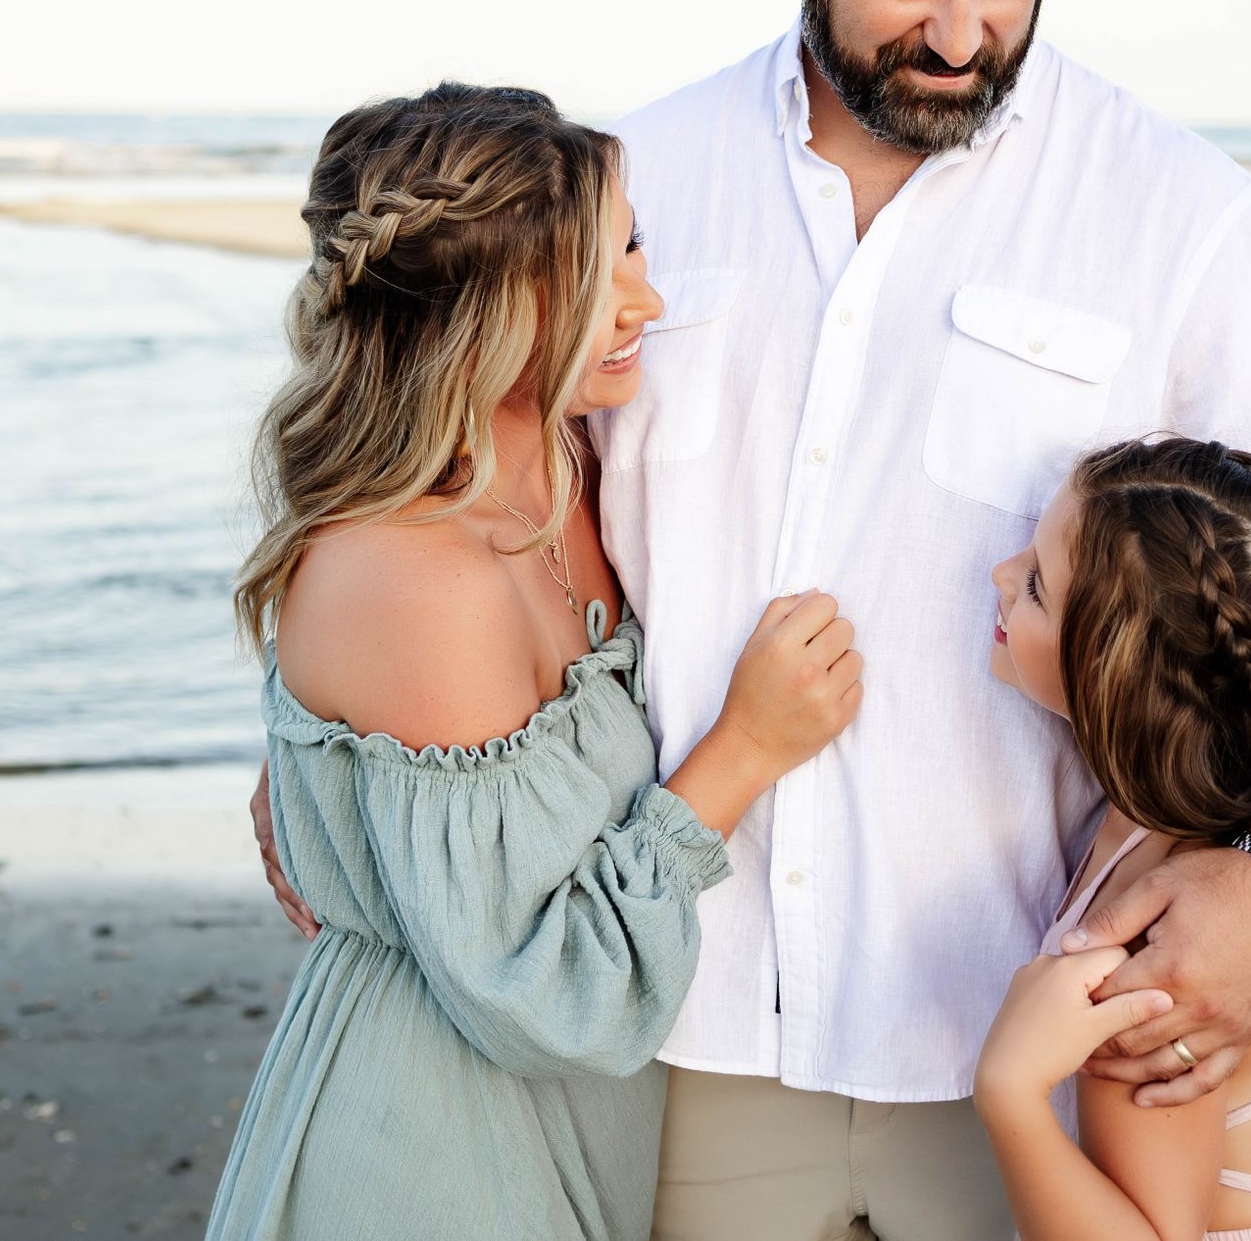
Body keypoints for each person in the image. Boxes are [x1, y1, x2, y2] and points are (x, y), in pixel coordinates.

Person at [258, 0, 1251, 1237]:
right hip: (680, 1044)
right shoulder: (639, 188)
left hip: (1009, 1037)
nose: (961, 33)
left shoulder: (1187, 219)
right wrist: (331, 743)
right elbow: (447, 471)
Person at [205, 84, 901, 1241]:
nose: (645, 297)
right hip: (426, 1154)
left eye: (630, 245)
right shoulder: (420, 570)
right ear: (470, 310)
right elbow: (549, 996)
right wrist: (744, 750)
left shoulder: (570, 461)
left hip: (563, 1131)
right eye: (589, 272)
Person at [975, 438, 1251, 1241]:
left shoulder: (1159, 944)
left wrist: (1011, 1093)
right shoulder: (1208, 836)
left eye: (1037, 587)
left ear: (1113, 668)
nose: (999, 574)